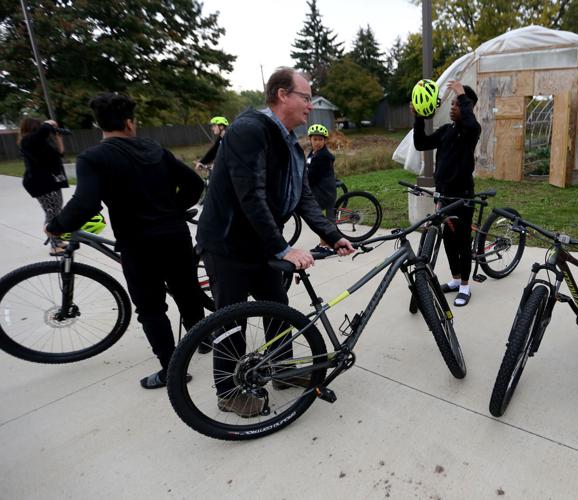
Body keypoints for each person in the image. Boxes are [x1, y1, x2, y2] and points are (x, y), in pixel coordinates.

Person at [196, 66, 354, 417]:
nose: (311, 107)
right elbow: (250, 195)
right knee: (230, 321)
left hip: (260, 245)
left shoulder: (291, 145)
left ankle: (280, 369)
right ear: (282, 95)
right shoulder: (249, 130)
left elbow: (303, 197)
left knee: (277, 308)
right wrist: (282, 247)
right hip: (227, 245)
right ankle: (229, 391)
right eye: (306, 98)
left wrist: (333, 235)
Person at [45, 92, 205, 390]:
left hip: (138, 244)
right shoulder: (155, 149)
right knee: (188, 292)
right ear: (130, 123)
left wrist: (56, 226)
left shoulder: (93, 158)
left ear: (100, 126)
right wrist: (174, 209)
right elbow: (195, 184)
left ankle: (173, 371)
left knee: (152, 309)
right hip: (175, 236)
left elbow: (85, 203)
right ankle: (204, 339)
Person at [412, 80, 481, 307]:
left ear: (468, 107)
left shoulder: (470, 132)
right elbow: (421, 143)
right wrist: (418, 117)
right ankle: (454, 279)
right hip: (443, 196)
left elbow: (472, 125)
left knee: (462, 242)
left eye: (457, 104)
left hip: (462, 197)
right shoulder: (446, 131)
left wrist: (463, 95)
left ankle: (465, 286)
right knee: (449, 241)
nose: (452, 107)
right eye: (451, 104)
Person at [18, 117, 70, 253]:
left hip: (51, 181)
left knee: (56, 209)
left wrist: (58, 136)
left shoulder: (41, 144)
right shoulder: (27, 142)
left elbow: (60, 153)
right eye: (38, 126)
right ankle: (54, 245)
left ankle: (57, 240)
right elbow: (42, 132)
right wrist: (48, 124)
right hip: (40, 182)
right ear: (33, 128)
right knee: (51, 211)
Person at [305, 123, 337, 256]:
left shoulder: (323, 156)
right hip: (319, 189)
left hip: (325, 192)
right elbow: (307, 169)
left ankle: (327, 246)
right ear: (310, 140)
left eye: (321, 139)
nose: (318, 142)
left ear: (325, 141)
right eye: (315, 139)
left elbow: (312, 176)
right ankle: (325, 244)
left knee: (321, 219)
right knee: (325, 219)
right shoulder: (313, 153)